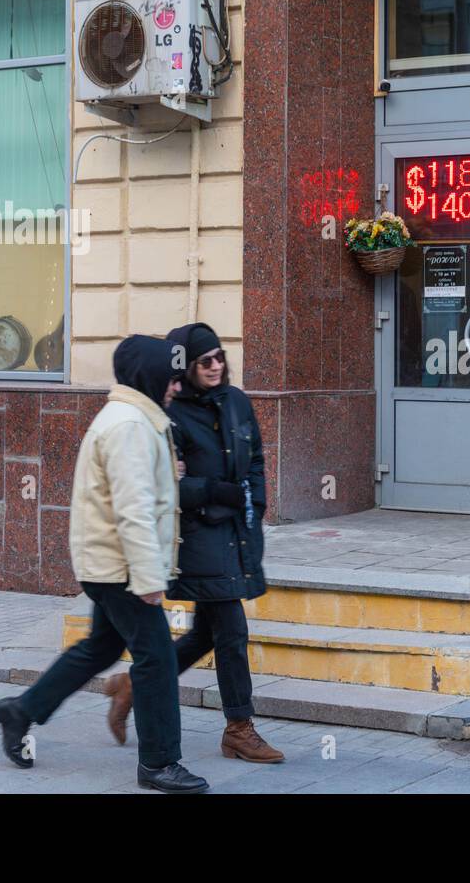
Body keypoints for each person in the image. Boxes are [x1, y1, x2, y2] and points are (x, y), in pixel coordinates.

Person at [0, 335, 210, 794]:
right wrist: (149, 578)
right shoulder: (130, 425)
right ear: (148, 376)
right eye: (169, 377)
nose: (175, 386)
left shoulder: (137, 418)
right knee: (157, 658)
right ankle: (159, 762)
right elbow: (132, 509)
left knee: (102, 649)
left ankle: (21, 710)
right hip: (120, 569)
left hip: (108, 564)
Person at [103, 322, 283, 764]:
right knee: (232, 629)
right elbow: (165, 487)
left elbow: (255, 458)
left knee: (208, 632)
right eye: (206, 361)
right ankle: (240, 728)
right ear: (185, 367)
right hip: (198, 538)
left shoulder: (236, 401)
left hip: (236, 535)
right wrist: (212, 493)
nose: (216, 366)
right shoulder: (170, 414)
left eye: (219, 357)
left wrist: (254, 504)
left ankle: (131, 686)